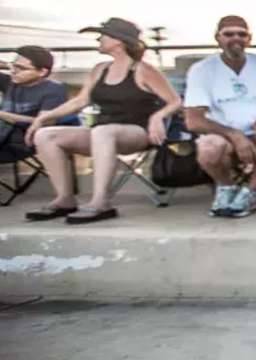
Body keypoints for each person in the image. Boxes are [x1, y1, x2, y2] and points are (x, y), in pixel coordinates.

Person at [23, 18, 182, 224]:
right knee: (46, 135)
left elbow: (175, 101)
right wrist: (44, 117)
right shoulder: (100, 69)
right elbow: (80, 101)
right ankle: (65, 200)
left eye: (103, 35)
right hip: (101, 133)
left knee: (104, 131)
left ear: (118, 40)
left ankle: (101, 202)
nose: (99, 39)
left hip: (138, 132)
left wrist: (157, 116)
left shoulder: (143, 70)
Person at [182, 15, 256, 218]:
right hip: (222, 136)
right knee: (209, 147)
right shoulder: (202, 70)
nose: (236, 38)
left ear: (249, 39)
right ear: (218, 38)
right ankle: (226, 189)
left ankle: (251, 192)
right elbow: (193, 121)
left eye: (242, 34)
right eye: (229, 34)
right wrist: (235, 136)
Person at [0, 46, 70, 155]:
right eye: (13, 66)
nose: (13, 71)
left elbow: (46, 122)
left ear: (42, 72)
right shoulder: (10, 81)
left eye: (21, 68)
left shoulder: (54, 90)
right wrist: (8, 65)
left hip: (22, 139)